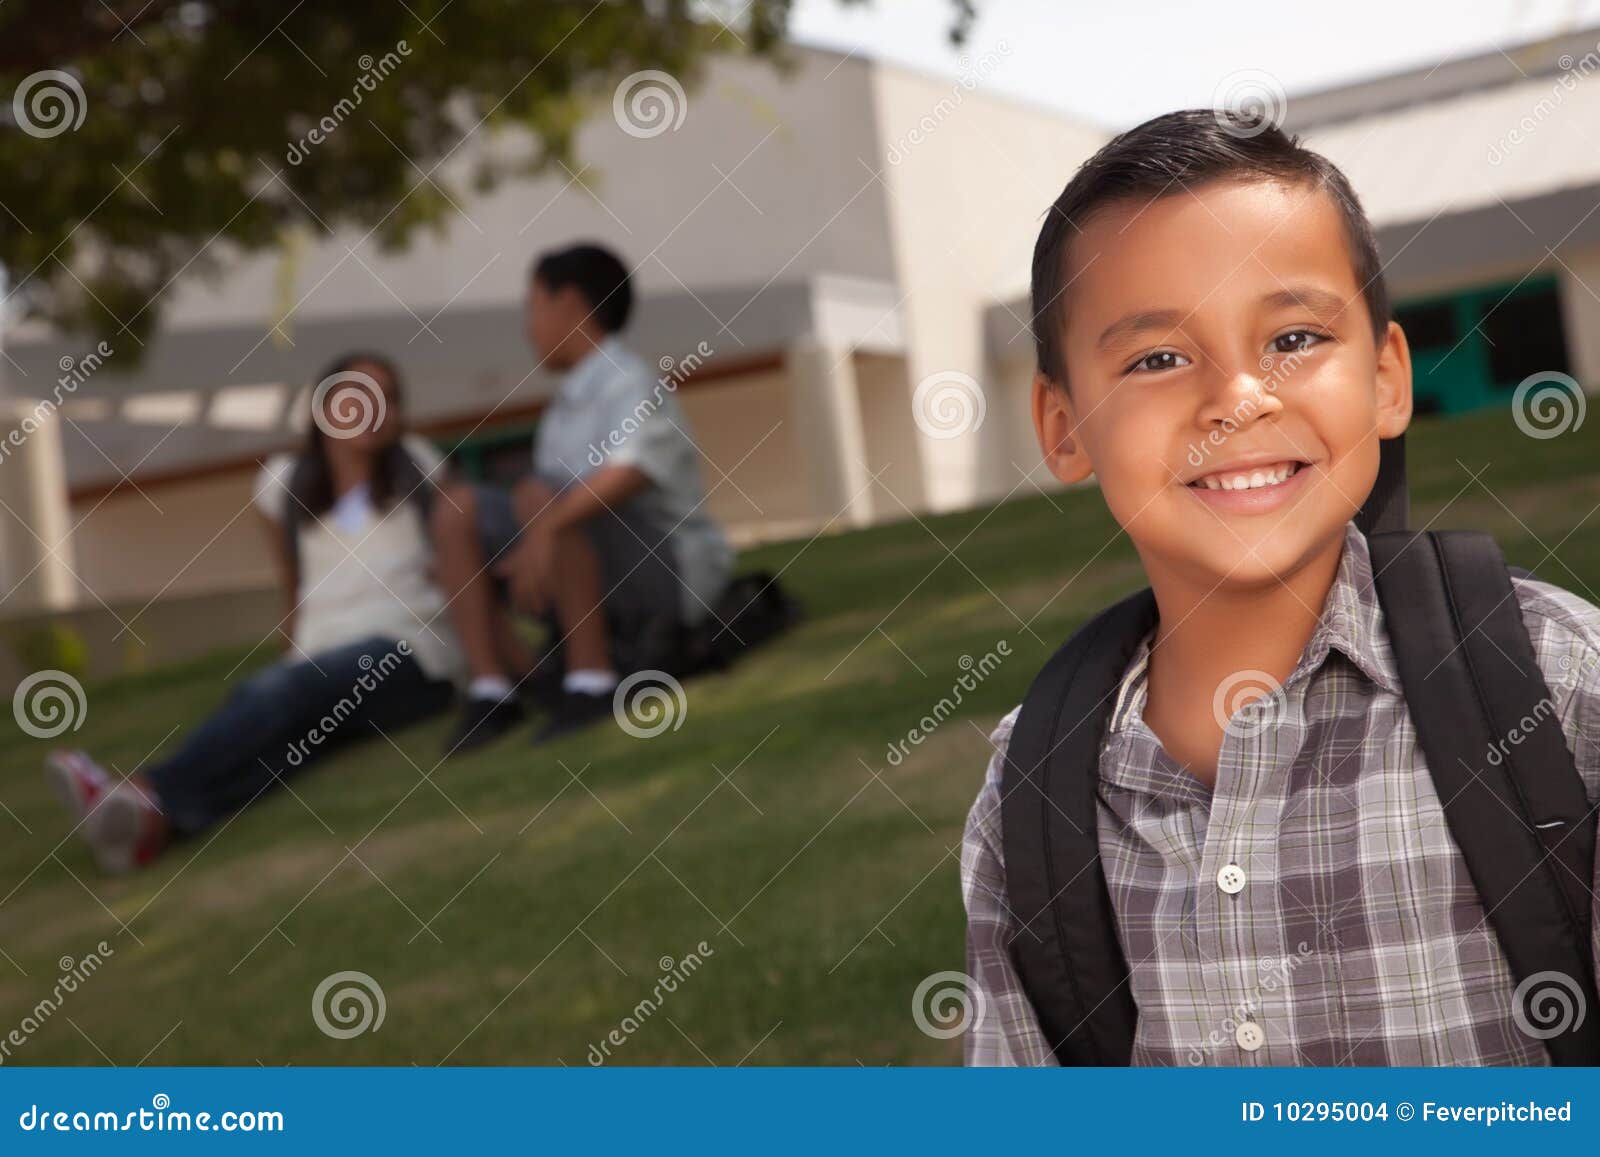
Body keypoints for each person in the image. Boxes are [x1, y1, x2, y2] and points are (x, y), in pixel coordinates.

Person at [961, 110, 1600, 1065]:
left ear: (1387, 378)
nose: (1238, 398)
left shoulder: (1557, 683)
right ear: (1062, 426)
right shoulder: (1034, 794)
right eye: (1158, 358)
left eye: (1294, 337)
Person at [46, 353, 464, 873]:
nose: (375, 409)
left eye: (388, 397)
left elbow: (461, 561)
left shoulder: (420, 465)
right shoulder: (283, 482)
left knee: (279, 694)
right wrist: (289, 653)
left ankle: (140, 793)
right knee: (287, 738)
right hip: (319, 653)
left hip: (410, 654)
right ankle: (149, 827)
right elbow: (293, 585)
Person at [431, 241, 733, 753]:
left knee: (549, 498)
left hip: (667, 575)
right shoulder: (564, 408)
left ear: (568, 303)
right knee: (458, 510)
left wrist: (545, 528)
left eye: (533, 307)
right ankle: (495, 689)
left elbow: (629, 474)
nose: (528, 327)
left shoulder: (631, 383)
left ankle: (592, 680)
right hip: (599, 569)